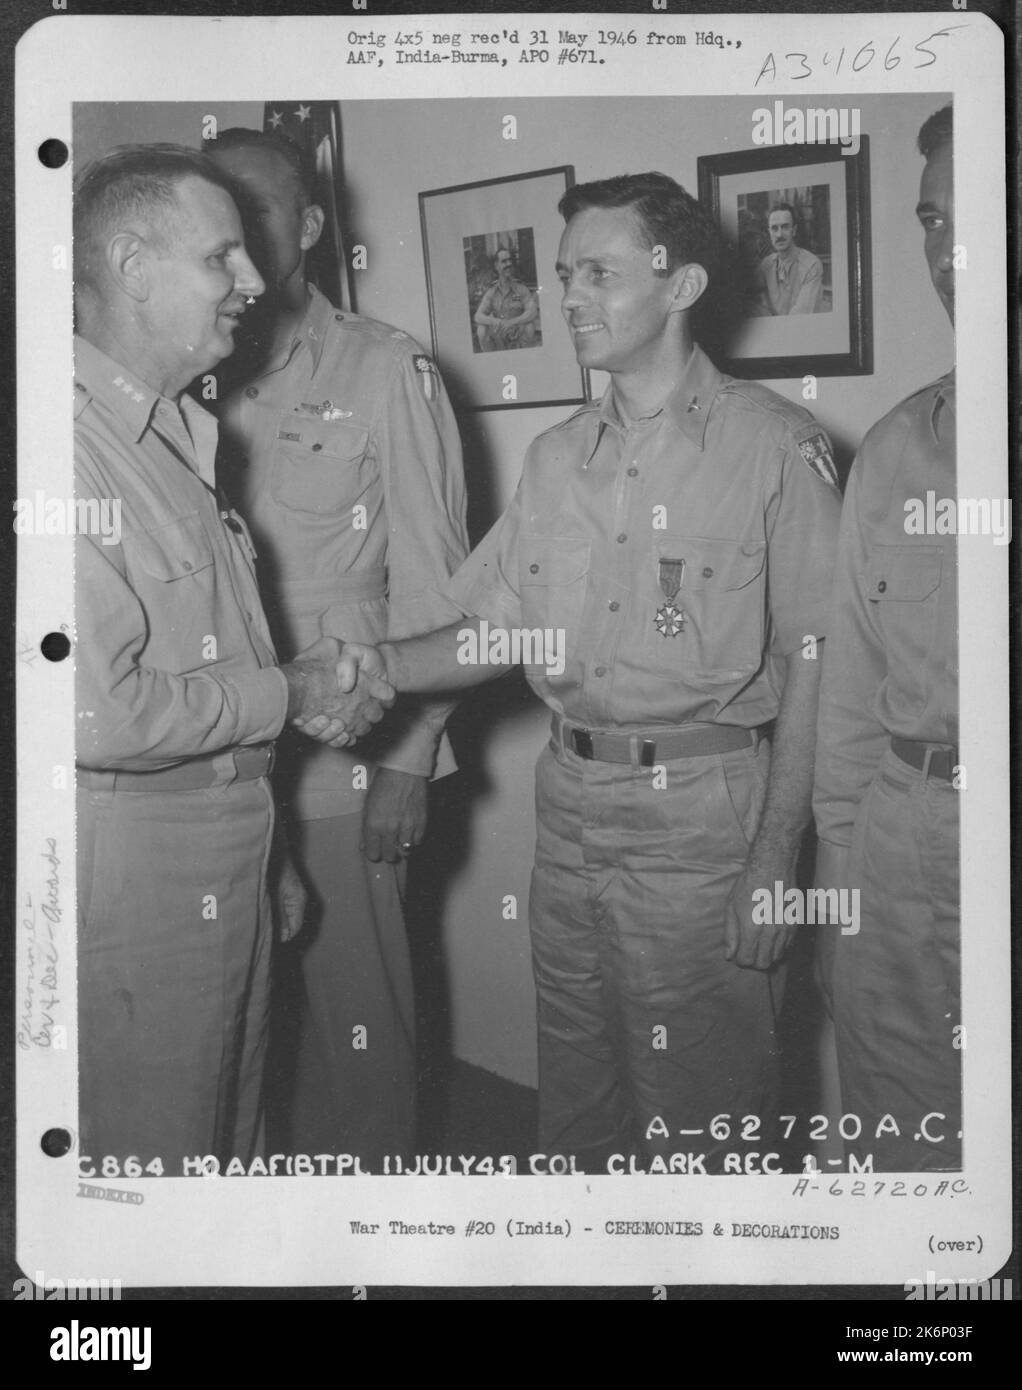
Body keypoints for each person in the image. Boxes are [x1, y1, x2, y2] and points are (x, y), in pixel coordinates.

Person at [306, 172, 844, 1172]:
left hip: (704, 819)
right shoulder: (557, 458)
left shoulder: (776, 448)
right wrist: (378, 662)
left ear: (678, 285)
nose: (567, 297)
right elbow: (494, 628)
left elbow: (817, 662)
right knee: (578, 1100)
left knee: (703, 1115)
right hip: (569, 813)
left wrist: (774, 859)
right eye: (561, 275)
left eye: (596, 272)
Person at [73, 145, 393, 1172]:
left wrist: (273, 857)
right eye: (222, 258)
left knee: (228, 1141)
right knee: (154, 1161)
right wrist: (288, 693)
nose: (254, 283)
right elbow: (95, 714)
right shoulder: (62, 450)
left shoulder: (175, 434)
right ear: (132, 264)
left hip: (227, 841)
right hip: (136, 870)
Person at [204, 128, 468, 1164]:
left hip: (341, 756)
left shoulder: (383, 364)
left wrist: (411, 756)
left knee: (358, 1023)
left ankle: (376, 1222)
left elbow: (438, 585)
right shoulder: (189, 369)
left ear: (311, 225)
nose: (237, 233)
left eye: (260, 207)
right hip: (217, 750)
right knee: (237, 1031)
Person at [813, 105, 959, 1172]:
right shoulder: (898, 447)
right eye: (927, 218)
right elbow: (850, 699)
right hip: (901, 839)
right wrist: (838, 888)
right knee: (898, 1134)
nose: (947, 252)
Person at [753, 203, 824, 316]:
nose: (779, 234)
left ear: (794, 230)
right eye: (774, 228)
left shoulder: (811, 265)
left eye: (785, 227)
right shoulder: (766, 265)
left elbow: (800, 317)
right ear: (769, 232)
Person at [474, 247, 540, 351]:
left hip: (517, 333)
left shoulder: (521, 289)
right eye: (504, 261)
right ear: (496, 266)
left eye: (510, 260)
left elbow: (533, 311)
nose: (509, 264)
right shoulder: (491, 292)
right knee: (481, 330)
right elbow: (478, 316)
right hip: (499, 334)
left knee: (529, 327)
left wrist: (512, 322)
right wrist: (497, 322)